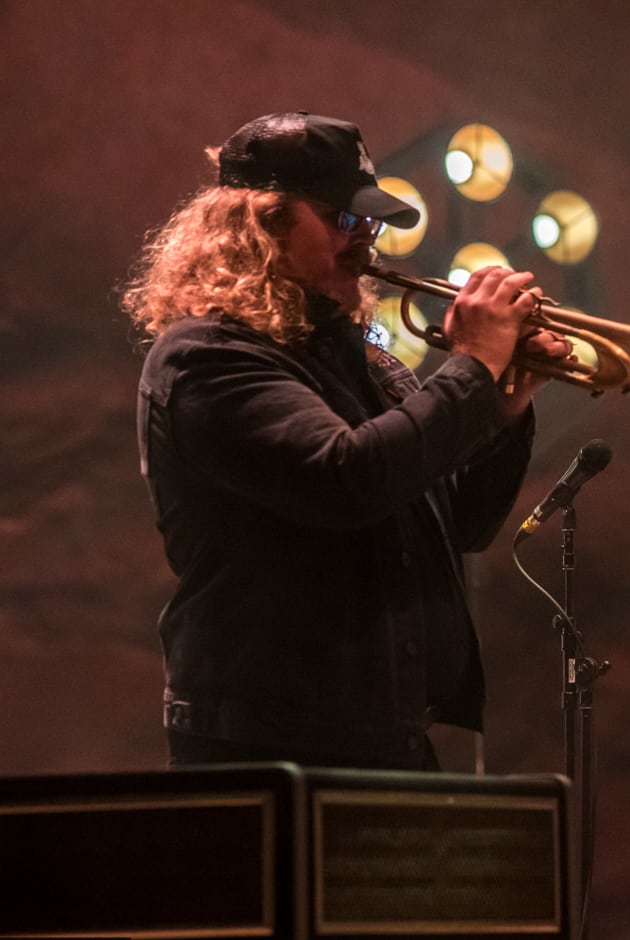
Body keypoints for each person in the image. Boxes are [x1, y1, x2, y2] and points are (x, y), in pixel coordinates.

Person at [124, 111, 567, 770]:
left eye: (372, 224)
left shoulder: (361, 349)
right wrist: (473, 365)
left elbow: (461, 523)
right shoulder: (206, 355)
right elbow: (346, 480)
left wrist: (507, 402)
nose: (366, 241)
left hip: (382, 736)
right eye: (343, 219)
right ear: (261, 222)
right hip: (269, 746)